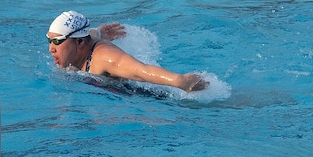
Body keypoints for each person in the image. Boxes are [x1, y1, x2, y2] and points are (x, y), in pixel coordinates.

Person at [47, 11, 207, 93]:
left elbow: (141, 71)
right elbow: (92, 34)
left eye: (57, 41)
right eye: (49, 40)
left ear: (80, 42)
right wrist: (99, 31)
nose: (51, 48)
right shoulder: (84, 42)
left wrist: (180, 81)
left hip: (147, 99)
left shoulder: (104, 57)